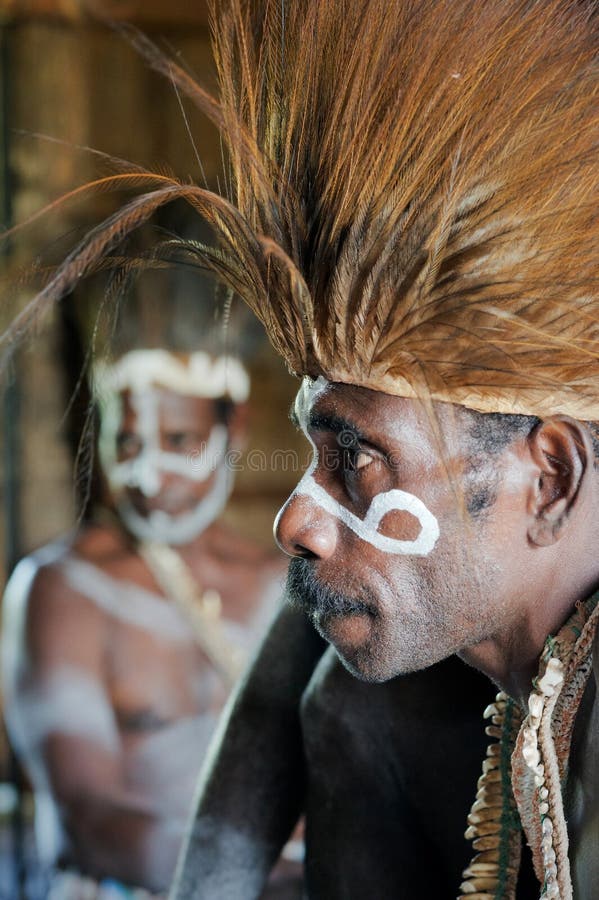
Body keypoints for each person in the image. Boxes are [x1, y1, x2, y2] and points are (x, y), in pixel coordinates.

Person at [6, 1, 599, 897]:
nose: (294, 518)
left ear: (548, 478)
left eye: (356, 459)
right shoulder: (380, 656)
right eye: (313, 455)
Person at [1, 329, 287, 897]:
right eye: (128, 444)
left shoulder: (281, 583)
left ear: (236, 431)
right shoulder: (64, 588)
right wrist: (294, 875)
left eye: (179, 440)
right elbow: (86, 820)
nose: (150, 477)